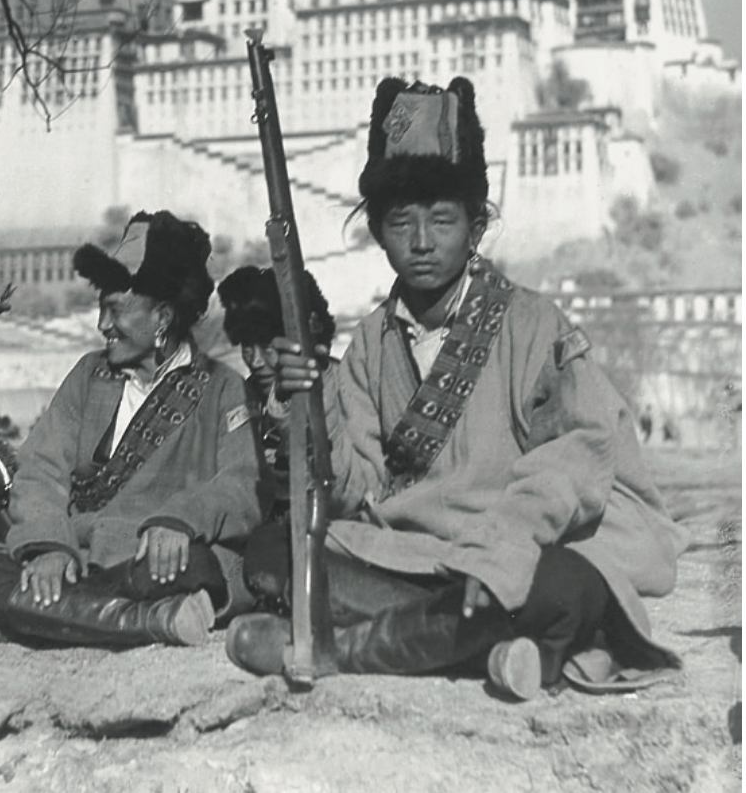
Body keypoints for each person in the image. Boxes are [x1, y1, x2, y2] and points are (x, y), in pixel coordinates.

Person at [226, 77, 686, 699]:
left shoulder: (532, 322)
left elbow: (580, 455)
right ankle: (492, 647)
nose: (421, 242)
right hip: (417, 556)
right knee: (275, 554)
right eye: (400, 222)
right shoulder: (369, 344)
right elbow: (357, 488)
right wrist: (307, 409)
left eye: (442, 220)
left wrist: (503, 551)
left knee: (556, 589)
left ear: (475, 225)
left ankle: (338, 647)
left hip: (523, 543)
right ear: (378, 232)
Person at [0, 210, 262, 648]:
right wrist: (49, 547)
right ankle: (151, 622)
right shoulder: (87, 376)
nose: (102, 325)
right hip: (80, 559)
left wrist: (179, 520)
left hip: (157, 562)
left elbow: (242, 485)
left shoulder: (222, 388)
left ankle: (29, 619)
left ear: (162, 317)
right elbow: (40, 469)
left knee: (197, 570)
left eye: (114, 310)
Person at [216, 265, 335, 524]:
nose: (256, 361)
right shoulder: (237, 396)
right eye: (247, 347)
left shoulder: (339, 384)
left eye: (269, 347)